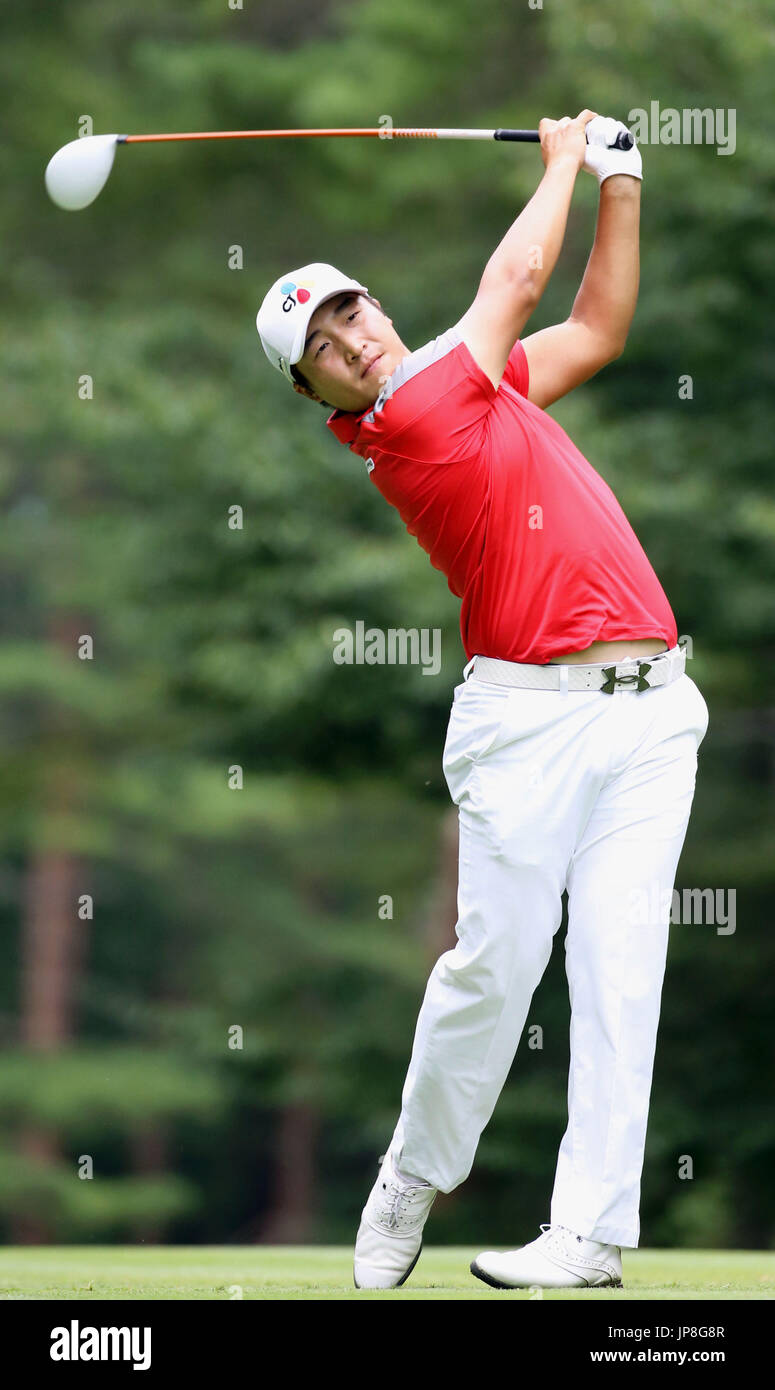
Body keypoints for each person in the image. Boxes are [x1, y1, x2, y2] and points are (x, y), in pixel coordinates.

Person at [255, 111, 709, 1290]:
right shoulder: (404, 421)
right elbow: (513, 277)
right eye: (322, 342)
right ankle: (414, 1169)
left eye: (350, 309)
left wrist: (620, 181)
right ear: (316, 392)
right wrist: (561, 153)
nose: (350, 338)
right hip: (526, 723)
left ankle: (590, 1237)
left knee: (619, 973)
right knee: (496, 966)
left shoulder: (483, 382)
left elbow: (597, 327)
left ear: (373, 308)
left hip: (652, 710)